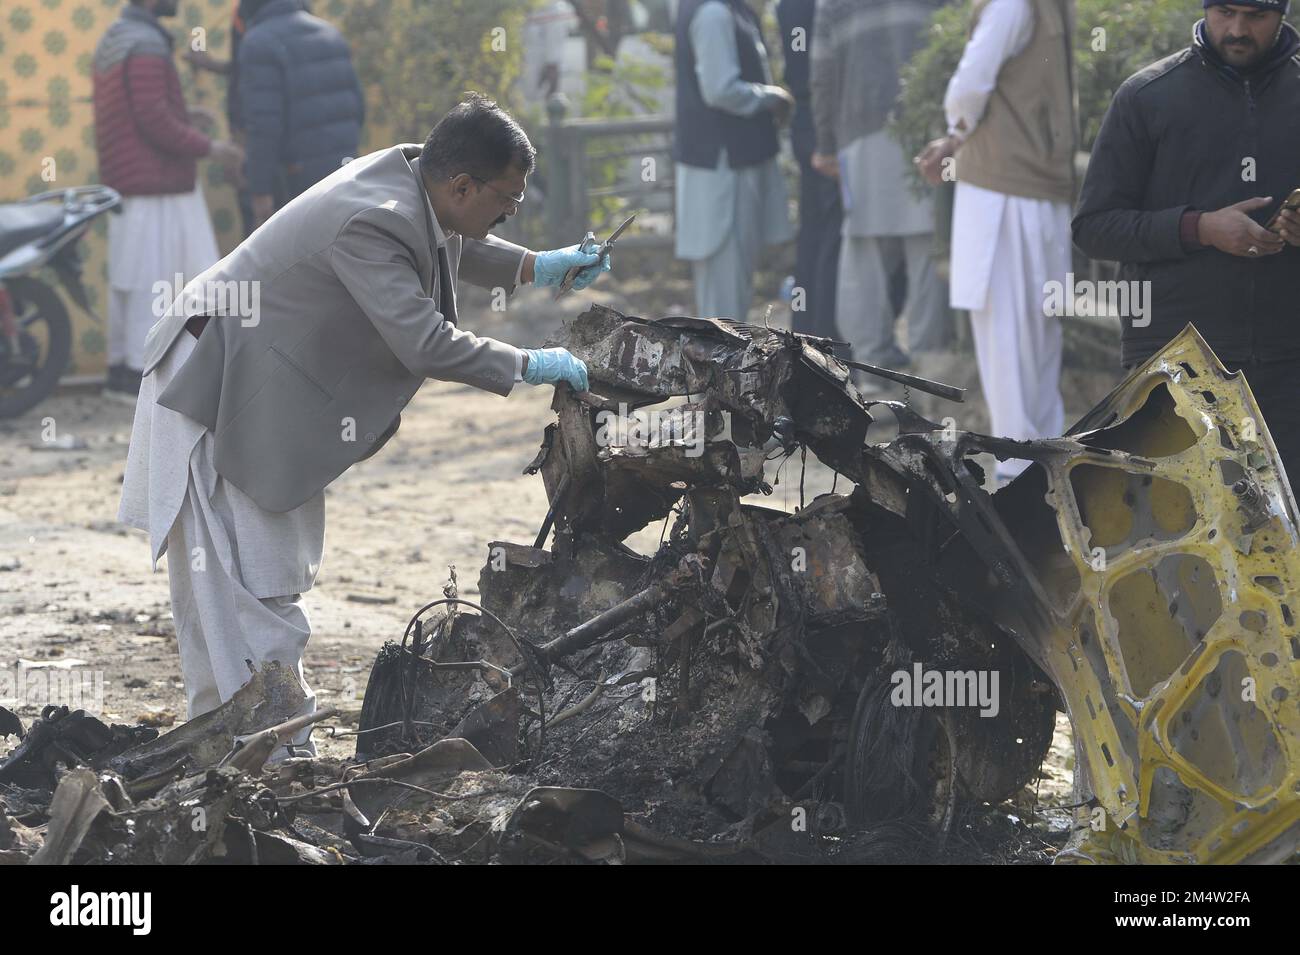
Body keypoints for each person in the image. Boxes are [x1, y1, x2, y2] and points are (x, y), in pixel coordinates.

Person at [117, 95, 609, 758]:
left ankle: (250, 748)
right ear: (463, 185)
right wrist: (530, 364)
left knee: (252, 579)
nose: (512, 213)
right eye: (508, 200)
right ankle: (265, 754)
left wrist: (535, 265)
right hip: (213, 380)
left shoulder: (412, 177)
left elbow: (448, 241)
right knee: (245, 583)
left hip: (261, 378)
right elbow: (426, 342)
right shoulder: (375, 220)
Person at [1072, 1, 1300, 478]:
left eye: (1255, 16)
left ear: (1282, 13)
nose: (1237, 29)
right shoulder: (1146, 96)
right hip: (1176, 366)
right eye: (1226, 12)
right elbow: (1094, 228)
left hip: (1289, 364)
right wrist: (1200, 229)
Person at [916, 0, 1077, 481]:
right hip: (1036, 193)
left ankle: (1018, 472)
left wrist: (955, 133)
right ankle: (1041, 471)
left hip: (1003, 196)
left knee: (1008, 340)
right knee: (1036, 342)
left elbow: (970, 83)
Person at [92, 0, 242, 401]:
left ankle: (124, 374)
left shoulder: (119, 38)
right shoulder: (144, 45)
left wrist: (183, 115)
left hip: (134, 183)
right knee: (158, 282)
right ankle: (144, 376)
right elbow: (153, 122)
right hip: (157, 184)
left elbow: (140, 113)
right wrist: (211, 148)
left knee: (135, 281)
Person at [811, 0, 950, 375]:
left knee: (864, 254)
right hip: (928, 133)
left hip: (859, 130)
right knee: (929, 248)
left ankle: (872, 370)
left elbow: (823, 73)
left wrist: (825, 143)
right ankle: (929, 369)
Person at [673, 0, 795, 321]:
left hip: (722, 165)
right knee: (725, 301)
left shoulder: (719, 9)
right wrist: (772, 97)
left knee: (728, 292)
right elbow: (720, 90)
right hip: (724, 171)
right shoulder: (714, 13)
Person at [237, 0, 365, 229]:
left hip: (297, 181)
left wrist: (260, 190)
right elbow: (357, 107)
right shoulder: (329, 32)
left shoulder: (258, 42)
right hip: (345, 168)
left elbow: (264, 125)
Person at [777, 0, 841, 341]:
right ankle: (826, 334)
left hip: (807, 114)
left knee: (815, 230)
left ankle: (806, 333)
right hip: (821, 114)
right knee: (831, 229)